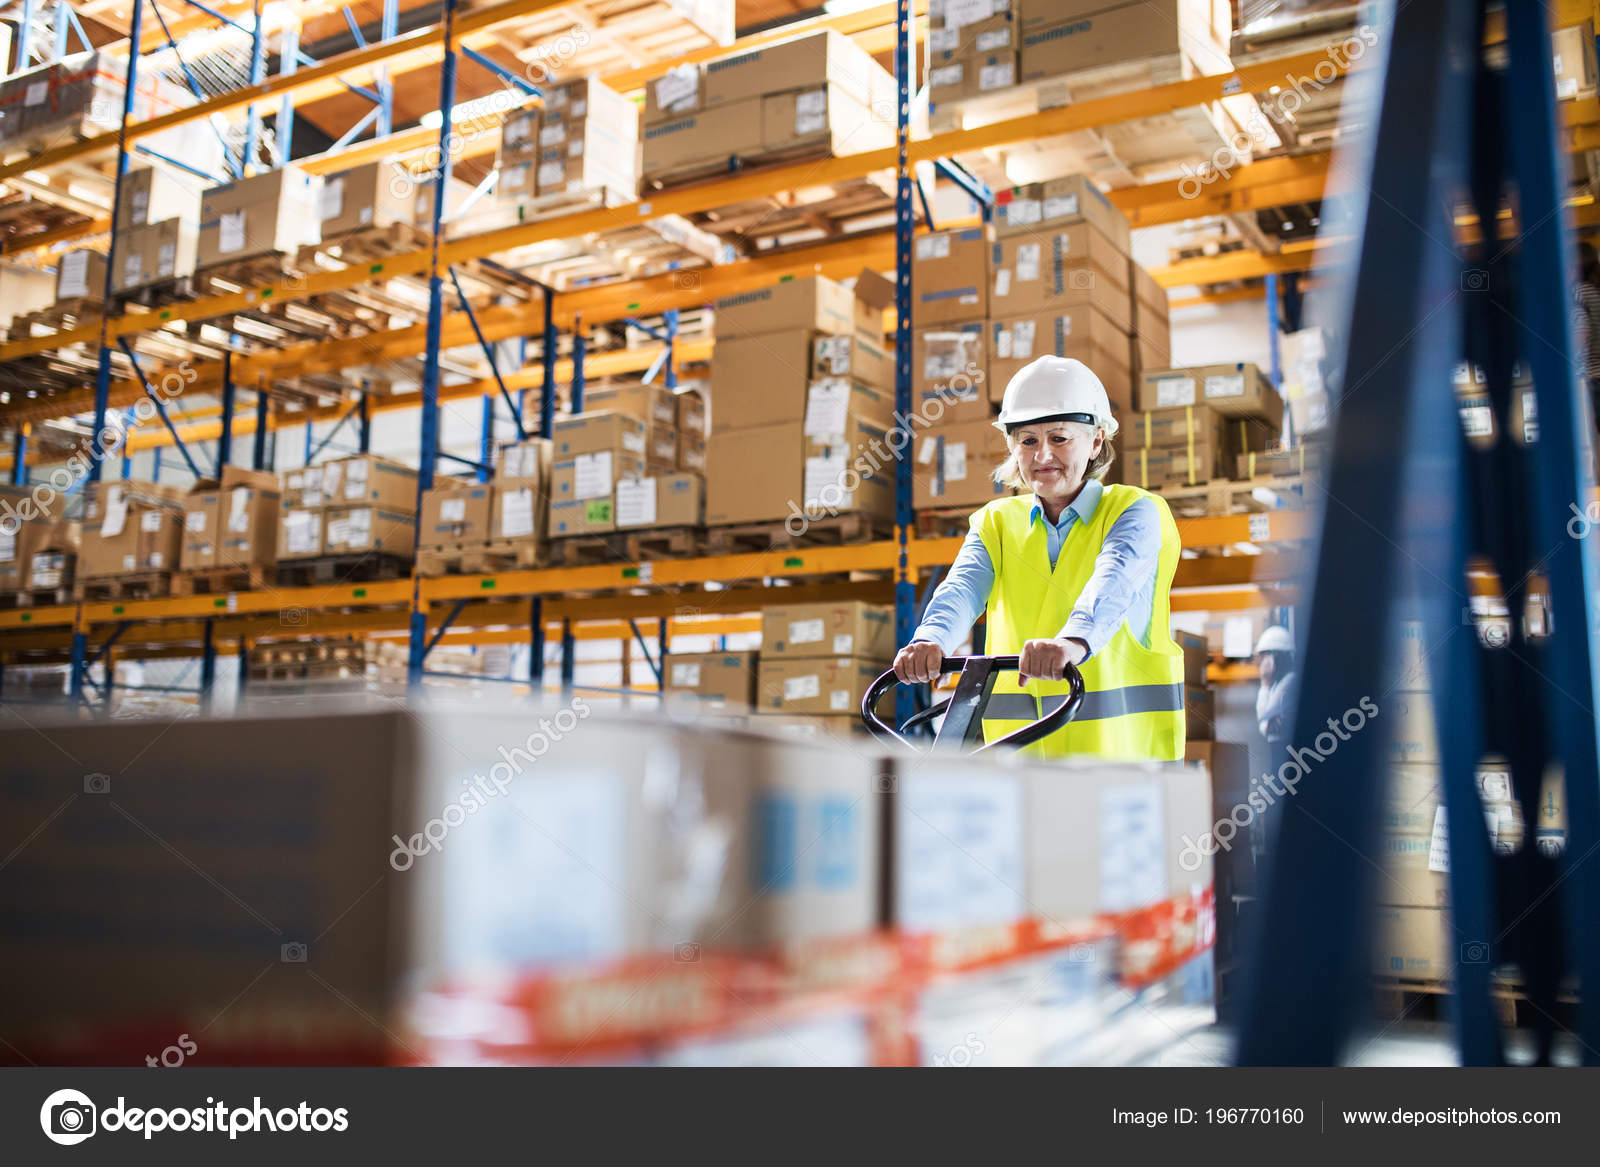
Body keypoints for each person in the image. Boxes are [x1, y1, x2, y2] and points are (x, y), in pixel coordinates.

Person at [892, 355, 1186, 760]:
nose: (1042, 455)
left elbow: (1113, 584)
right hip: (1020, 772)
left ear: (1097, 440)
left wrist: (1071, 643)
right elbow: (961, 588)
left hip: (1123, 767)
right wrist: (930, 640)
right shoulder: (995, 522)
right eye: (1027, 440)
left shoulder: (1134, 512)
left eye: (1059, 438)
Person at [1252, 624, 1297, 749]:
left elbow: (1264, 716)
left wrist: (1265, 683)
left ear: (1275, 657)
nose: (1261, 663)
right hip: (1277, 748)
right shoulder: (1275, 684)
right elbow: (1263, 723)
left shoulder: (1290, 681)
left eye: (1264, 657)